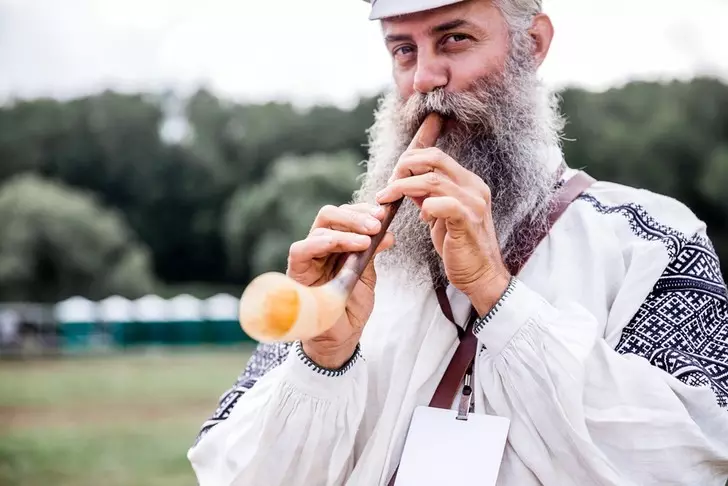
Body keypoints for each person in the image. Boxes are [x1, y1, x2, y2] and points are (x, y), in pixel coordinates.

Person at [187, 0, 728, 484]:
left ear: (532, 43)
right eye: (403, 49)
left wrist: (497, 293)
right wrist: (322, 359)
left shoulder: (651, 241)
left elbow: (691, 459)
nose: (425, 77)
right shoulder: (353, 262)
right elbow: (231, 473)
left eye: (454, 39)